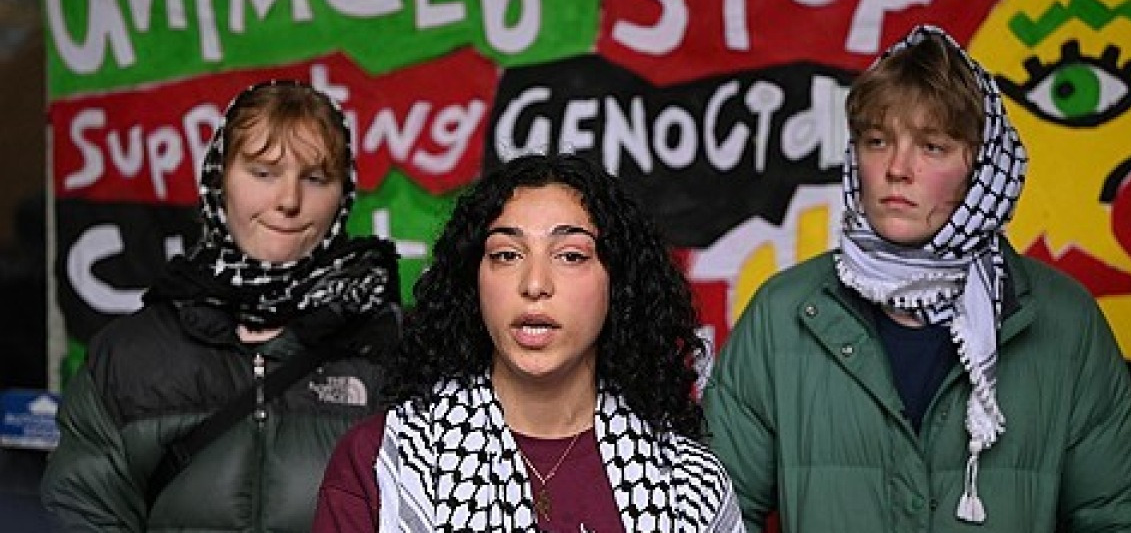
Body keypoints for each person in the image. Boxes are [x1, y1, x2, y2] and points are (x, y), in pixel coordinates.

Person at [703, 25, 1131, 531]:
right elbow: (718, 516)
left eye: (932, 147)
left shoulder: (1062, 321)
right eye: (877, 141)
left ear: (980, 167)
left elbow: (1119, 519)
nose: (897, 168)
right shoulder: (783, 314)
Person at [312, 153, 744, 532]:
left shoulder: (691, 483)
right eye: (507, 255)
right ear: (473, 282)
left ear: (619, 283)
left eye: (570, 255)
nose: (535, 284)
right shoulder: (383, 461)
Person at [41, 80, 402, 532]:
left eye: (314, 178)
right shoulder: (129, 355)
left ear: (342, 195)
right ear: (219, 180)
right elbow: (83, 512)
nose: (288, 201)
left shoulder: (392, 353)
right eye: (263, 173)